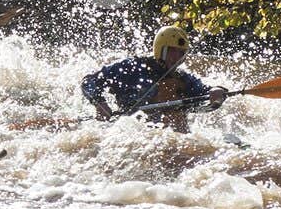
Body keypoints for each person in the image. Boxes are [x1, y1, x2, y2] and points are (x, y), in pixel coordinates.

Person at [81, 26, 230, 133]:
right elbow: (89, 82)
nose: (176, 58)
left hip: (168, 136)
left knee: (175, 108)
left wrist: (217, 93)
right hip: (131, 129)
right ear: (160, 49)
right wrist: (99, 103)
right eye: (172, 51)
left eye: (181, 53)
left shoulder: (182, 79)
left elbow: (203, 96)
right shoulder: (132, 67)